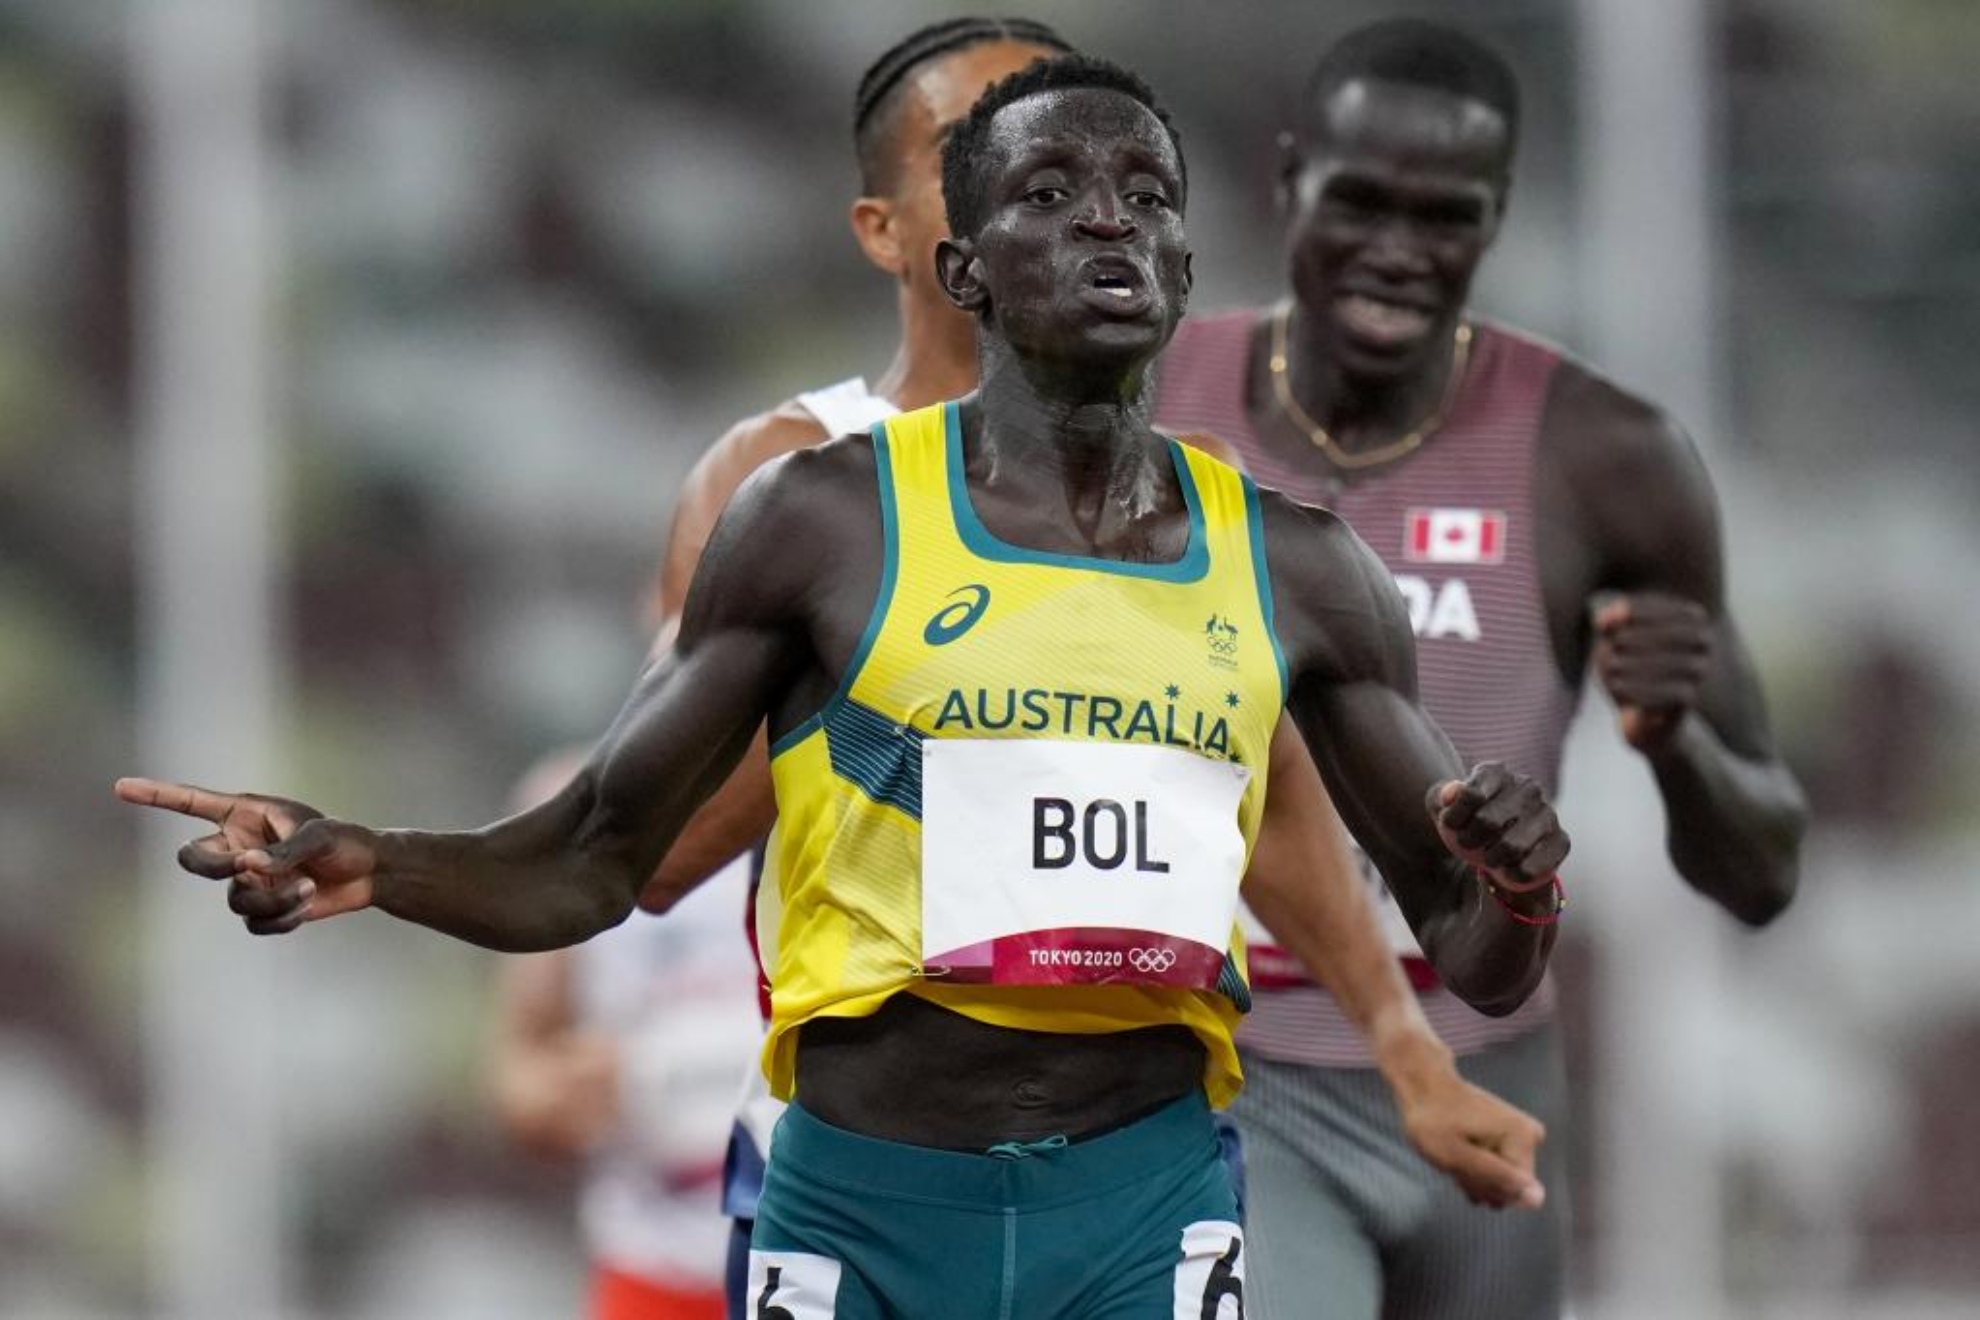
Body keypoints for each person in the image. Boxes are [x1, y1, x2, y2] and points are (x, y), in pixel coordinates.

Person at [119, 54, 1575, 1316]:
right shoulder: (827, 521)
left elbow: (1470, 948)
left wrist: (1514, 889)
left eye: (1146, 193)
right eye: (1052, 192)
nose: (1109, 217)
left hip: (1149, 1207)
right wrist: (374, 859)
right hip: (865, 1208)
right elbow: (600, 855)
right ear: (963, 268)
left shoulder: (1301, 571)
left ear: (1187, 268)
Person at [631, 20, 1556, 1308]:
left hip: (1127, 1159)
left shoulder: (1189, 504)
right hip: (869, 1157)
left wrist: (1405, 1050)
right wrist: (910, 729)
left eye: (1117, 176)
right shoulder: (786, 481)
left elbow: (1273, 807)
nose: (1091, 211)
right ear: (908, 229)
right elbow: (655, 849)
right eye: (1013, 162)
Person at [1152, 20, 1808, 1319]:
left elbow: (1763, 871)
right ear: (1290, 179)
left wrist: (1674, 741)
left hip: (1490, 1067)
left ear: (1499, 217)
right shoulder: (1157, 404)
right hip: (1236, 1074)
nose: (1398, 251)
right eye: (1361, 203)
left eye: (1445, 216)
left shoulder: (1605, 460)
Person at [491, 753, 761, 1320]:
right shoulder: (570, 805)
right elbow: (520, 1078)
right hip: (658, 1270)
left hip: (826, 1260)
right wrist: (572, 1094)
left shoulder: (860, 773)